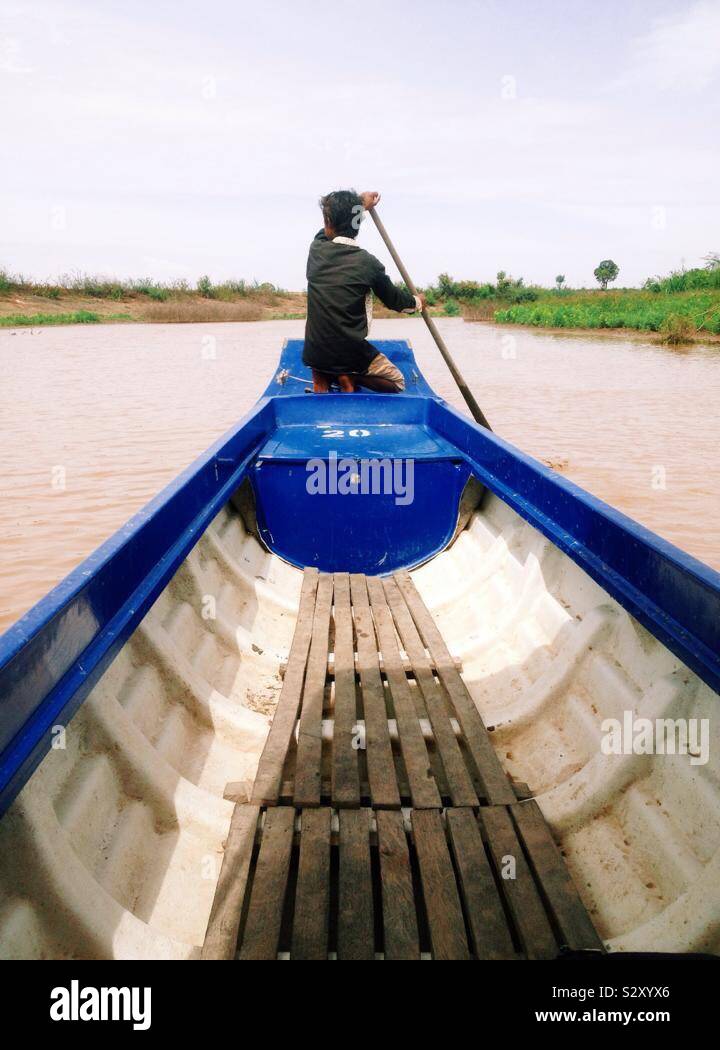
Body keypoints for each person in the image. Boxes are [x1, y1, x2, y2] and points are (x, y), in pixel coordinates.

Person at [303, 189, 426, 393]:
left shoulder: (317, 249)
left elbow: (325, 231)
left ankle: (329, 376)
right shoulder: (368, 263)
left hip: (314, 352)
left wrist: (361, 206)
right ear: (357, 224)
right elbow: (397, 302)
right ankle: (352, 375)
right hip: (349, 354)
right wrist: (418, 301)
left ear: (327, 221)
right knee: (397, 382)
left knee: (325, 364)